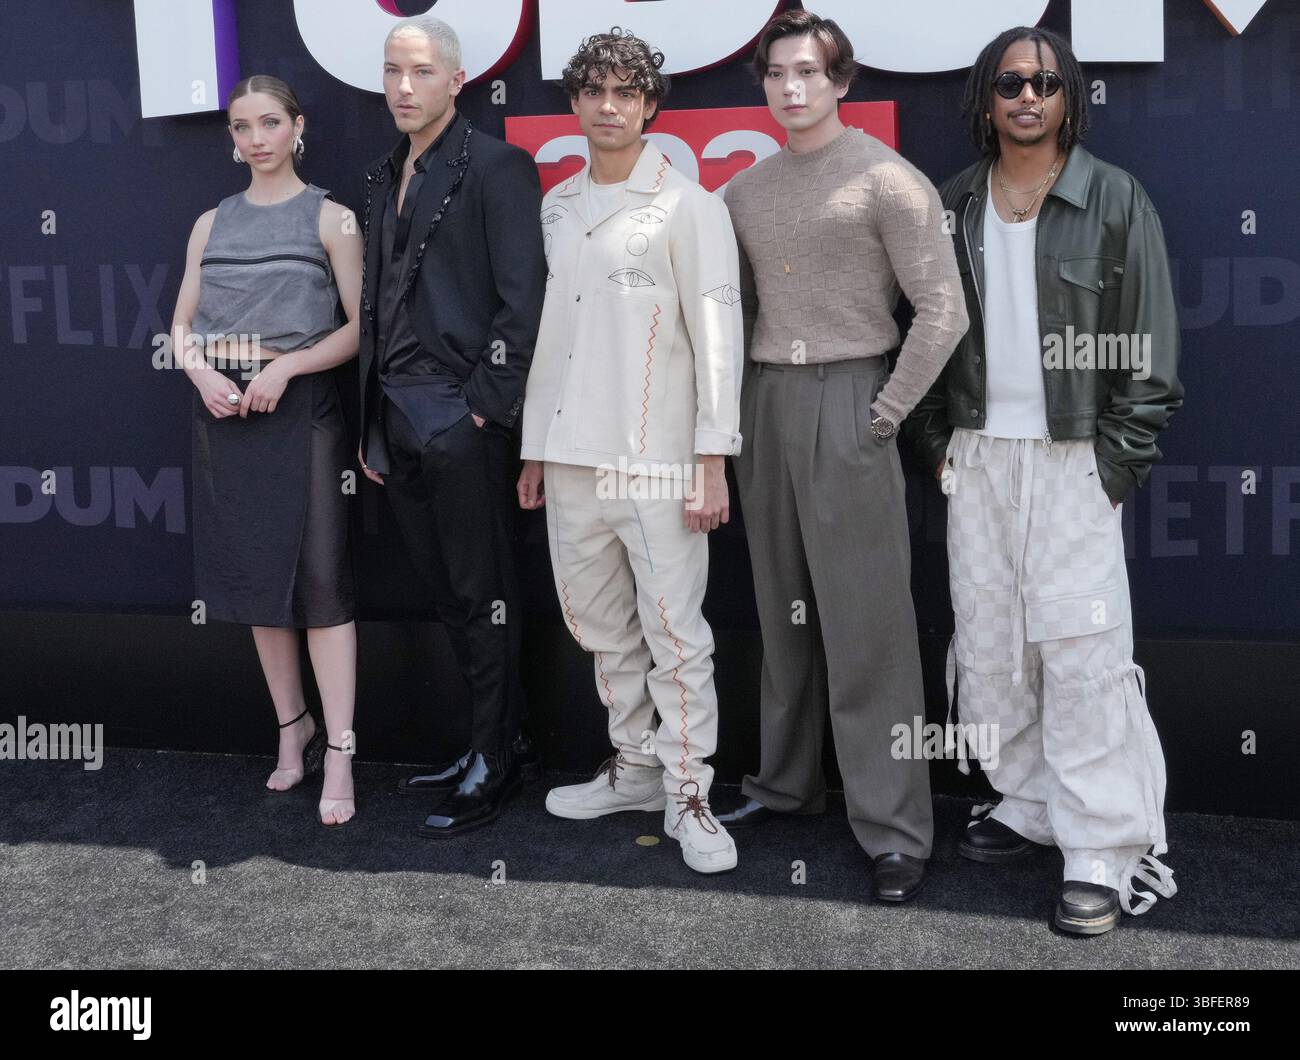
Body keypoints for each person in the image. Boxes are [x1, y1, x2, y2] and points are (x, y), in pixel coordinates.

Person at [905, 26, 1182, 934]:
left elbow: (1147, 356)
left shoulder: (1113, 198)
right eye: (1012, 82)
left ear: (1071, 98)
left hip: (1072, 460)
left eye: (1047, 82)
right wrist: (940, 443)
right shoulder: (952, 204)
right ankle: (1026, 801)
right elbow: (925, 338)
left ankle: (1101, 846)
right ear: (987, 97)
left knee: (1082, 654)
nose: (1029, 96)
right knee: (991, 642)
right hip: (979, 457)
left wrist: (1112, 468)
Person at [717, 10, 968, 903]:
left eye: (809, 73)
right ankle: (785, 785)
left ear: (841, 81)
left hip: (852, 401)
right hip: (764, 404)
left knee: (869, 628)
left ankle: (896, 829)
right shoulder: (743, 191)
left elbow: (943, 310)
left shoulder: (888, 181)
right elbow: (730, 318)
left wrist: (885, 412)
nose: (792, 88)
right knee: (781, 611)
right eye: (777, 73)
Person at [517, 28, 744, 874]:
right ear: (574, 102)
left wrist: (712, 456)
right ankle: (637, 767)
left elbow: (718, 334)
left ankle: (691, 793)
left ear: (650, 105)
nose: (608, 106)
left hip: (657, 462)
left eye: (625, 92)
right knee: (600, 629)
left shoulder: (691, 205)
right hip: (572, 458)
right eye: (594, 91)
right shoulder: (558, 205)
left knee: (676, 635)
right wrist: (536, 450)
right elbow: (553, 340)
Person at [355, 16, 546, 837]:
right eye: (393, 71)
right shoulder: (380, 175)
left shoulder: (499, 168)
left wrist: (478, 409)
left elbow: (523, 303)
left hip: (459, 419)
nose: (404, 86)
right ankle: (494, 741)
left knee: (483, 595)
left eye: (421, 72)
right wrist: (374, 420)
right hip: (392, 418)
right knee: (449, 597)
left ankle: (495, 761)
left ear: (455, 81)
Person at [171, 75, 363, 826]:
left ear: (297, 127)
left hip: (302, 408)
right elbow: (181, 323)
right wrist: (197, 370)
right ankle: (294, 730)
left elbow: (358, 328)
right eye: (242, 126)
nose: (256, 138)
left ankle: (341, 749)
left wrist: (288, 365)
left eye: (270, 122)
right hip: (224, 411)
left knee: (320, 586)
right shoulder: (209, 223)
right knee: (256, 586)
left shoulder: (333, 218)